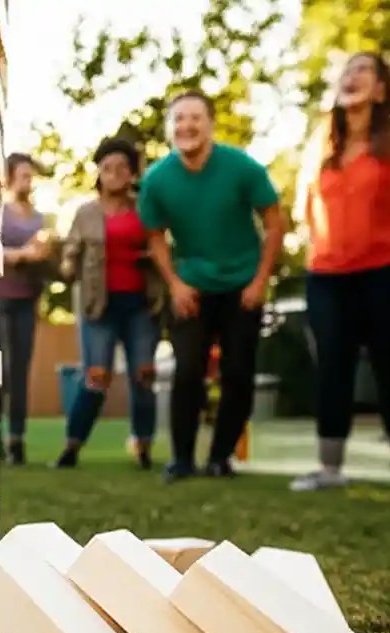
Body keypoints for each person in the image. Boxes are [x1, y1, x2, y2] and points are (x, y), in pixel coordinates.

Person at [288, 53, 390, 499]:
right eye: (347, 71)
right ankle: (330, 469)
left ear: (382, 89)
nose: (351, 77)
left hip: (387, 268)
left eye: (363, 71)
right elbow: (304, 206)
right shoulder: (320, 143)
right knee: (332, 368)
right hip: (327, 274)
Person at [137, 91, 286, 482]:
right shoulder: (156, 180)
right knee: (187, 372)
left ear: (210, 125)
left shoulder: (242, 167)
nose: (187, 126)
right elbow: (154, 236)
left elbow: (273, 223)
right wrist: (175, 284)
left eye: (195, 118)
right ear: (170, 128)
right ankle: (182, 459)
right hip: (193, 288)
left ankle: (221, 458)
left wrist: (259, 282)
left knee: (238, 373)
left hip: (242, 286)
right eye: (179, 119)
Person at [53, 138, 172, 471]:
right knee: (96, 376)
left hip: (140, 305)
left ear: (133, 173)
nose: (115, 174)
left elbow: (161, 244)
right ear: (99, 174)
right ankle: (71, 446)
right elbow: (71, 252)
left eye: (122, 168)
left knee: (143, 375)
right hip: (98, 306)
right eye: (107, 168)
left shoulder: (144, 208)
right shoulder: (86, 212)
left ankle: (143, 446)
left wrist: (150, 258)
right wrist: (66, 267)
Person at [0, 153, 51, 465]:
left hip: (27, 299)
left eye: (31, 176)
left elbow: (42, 254)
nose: (28, 181)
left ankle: (18, 440)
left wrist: (43, 255)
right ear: (10, 177)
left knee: (20, 372)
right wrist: (21, 255)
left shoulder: (39, 218)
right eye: (23, 175)